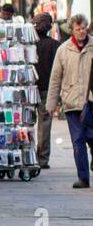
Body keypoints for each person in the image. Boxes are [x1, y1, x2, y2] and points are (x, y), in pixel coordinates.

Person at [46, 12, 93, 189]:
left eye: (83, 28)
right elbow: (55, 78)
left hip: (91, 102)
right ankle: (83, 177)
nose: (81, 31)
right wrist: (51, 104)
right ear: (72, 30)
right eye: (78, 29)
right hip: (72, 103)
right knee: (78, 141)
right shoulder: (63, 50)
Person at [35, 12, 58, 171]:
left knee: (26, 125)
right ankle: (42, 159)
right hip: (47, 90)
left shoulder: (28, 44)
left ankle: (27, 156)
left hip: (28, 89)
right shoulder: (56, 46)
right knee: (45, 126)